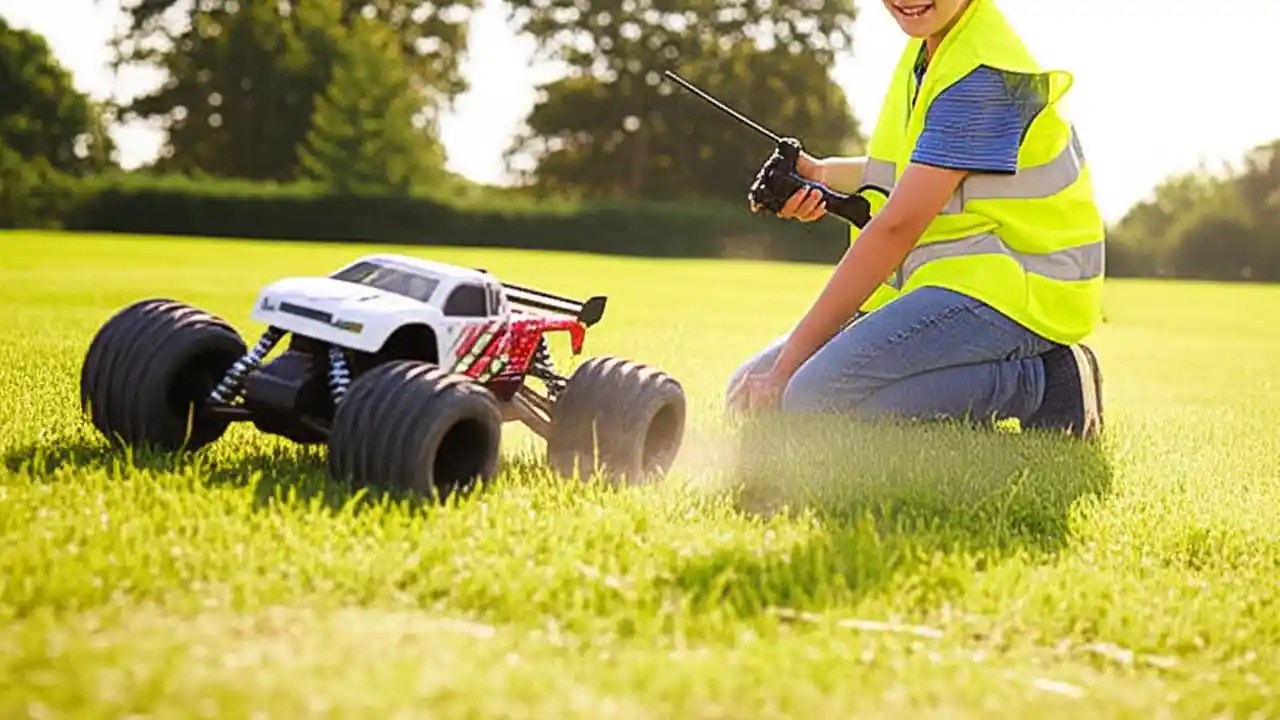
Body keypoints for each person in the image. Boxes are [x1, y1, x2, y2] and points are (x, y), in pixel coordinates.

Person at [725, 0, 1105, 439]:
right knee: (744, 391)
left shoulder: (983, 73)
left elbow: (896, 227)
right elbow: (910, 172)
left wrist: (786, 369)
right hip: (954, 280)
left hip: (1022, 289)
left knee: (810, 402)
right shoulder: (932, 48)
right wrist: (822, 174)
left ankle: (1045, 382)